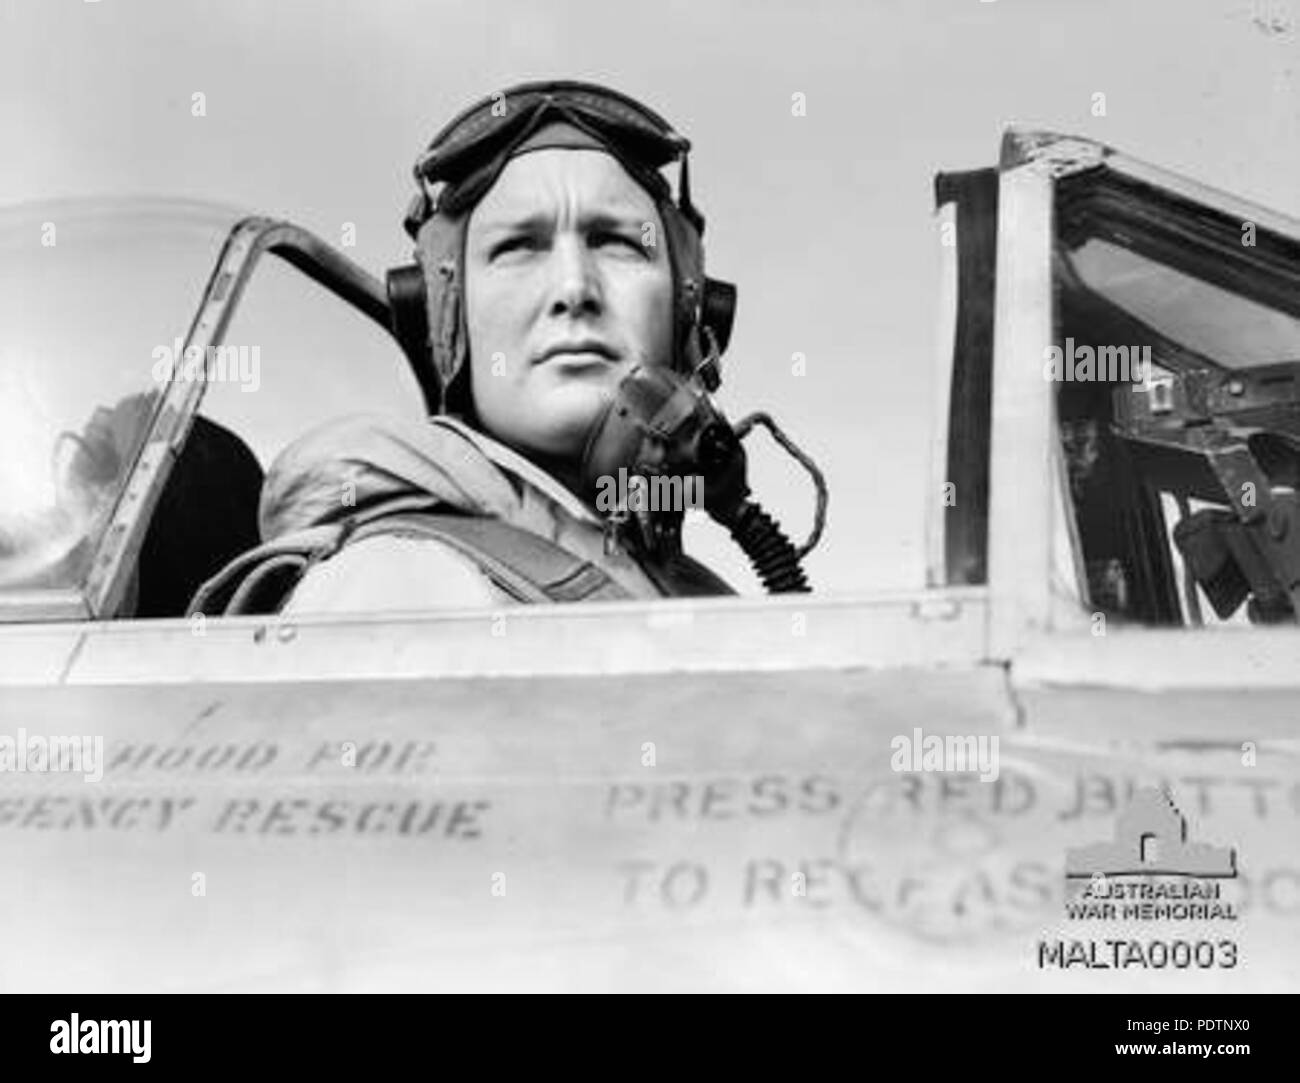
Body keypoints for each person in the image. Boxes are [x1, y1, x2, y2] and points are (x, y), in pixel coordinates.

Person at [199, 81, 741, 616]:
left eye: (617, 242)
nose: (575, 288)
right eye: (517, 247)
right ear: (441, 320)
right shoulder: (397, 585)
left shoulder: (697, 598)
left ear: (692, 310)